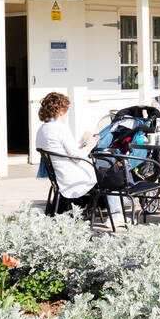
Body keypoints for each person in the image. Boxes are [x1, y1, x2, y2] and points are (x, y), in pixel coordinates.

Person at [35, 91, 125, 224]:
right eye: (66, 110)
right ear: (60, 111)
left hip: (60, 176)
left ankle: (115, 212)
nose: (67, 114)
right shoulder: (61, 129)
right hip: (73, 177)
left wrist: (83, 147)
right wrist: (90, 145)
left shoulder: (42, 130)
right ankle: (116, 214)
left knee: (106, 167)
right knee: (110, 170)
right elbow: (76, 158)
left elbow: (65, 153)